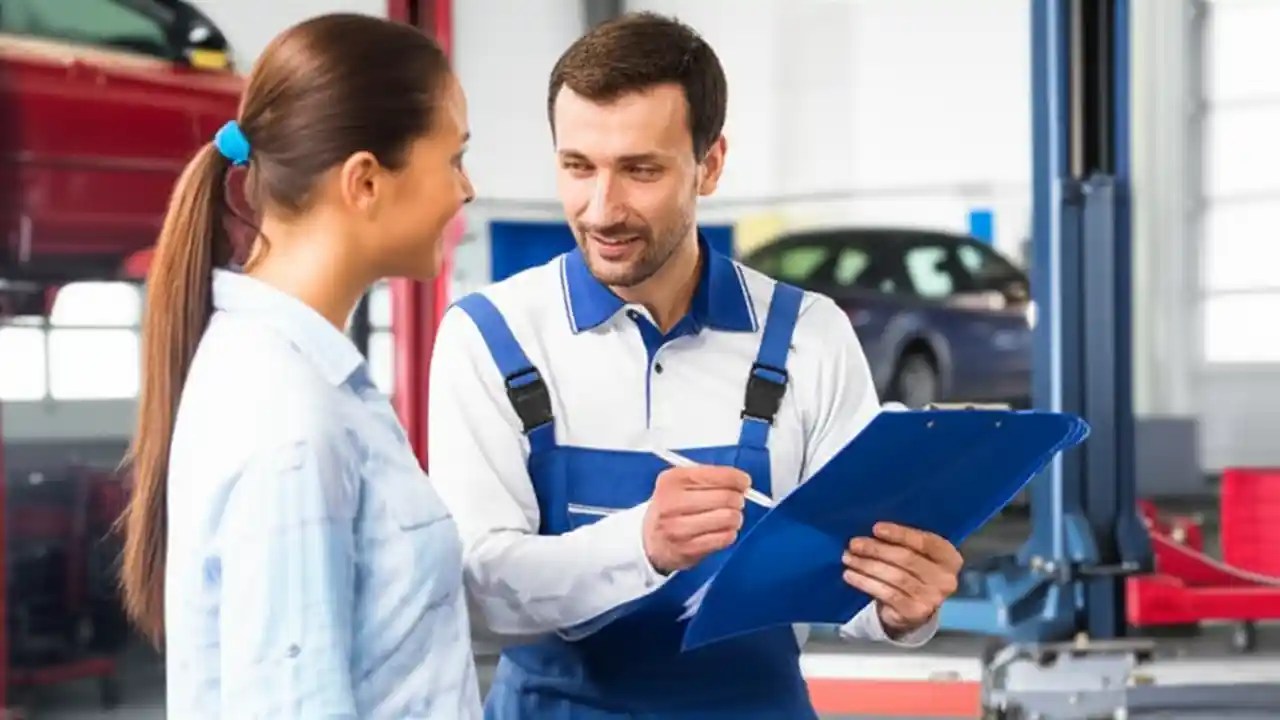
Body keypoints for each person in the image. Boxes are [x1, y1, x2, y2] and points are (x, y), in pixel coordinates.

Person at [428, 11, 964, 719]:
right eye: (577, 166)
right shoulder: (490, 336)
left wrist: (902, 606)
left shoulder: (809, 336)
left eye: (640, 170)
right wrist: (641, 545)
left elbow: (852, 581)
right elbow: (478, 588)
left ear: (709, 165)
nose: (601, 207)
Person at [117, 14, 481, 719]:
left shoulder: (293, 375)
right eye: (454, 158)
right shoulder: (292, 418)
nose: (465, 190)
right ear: (366, 182)